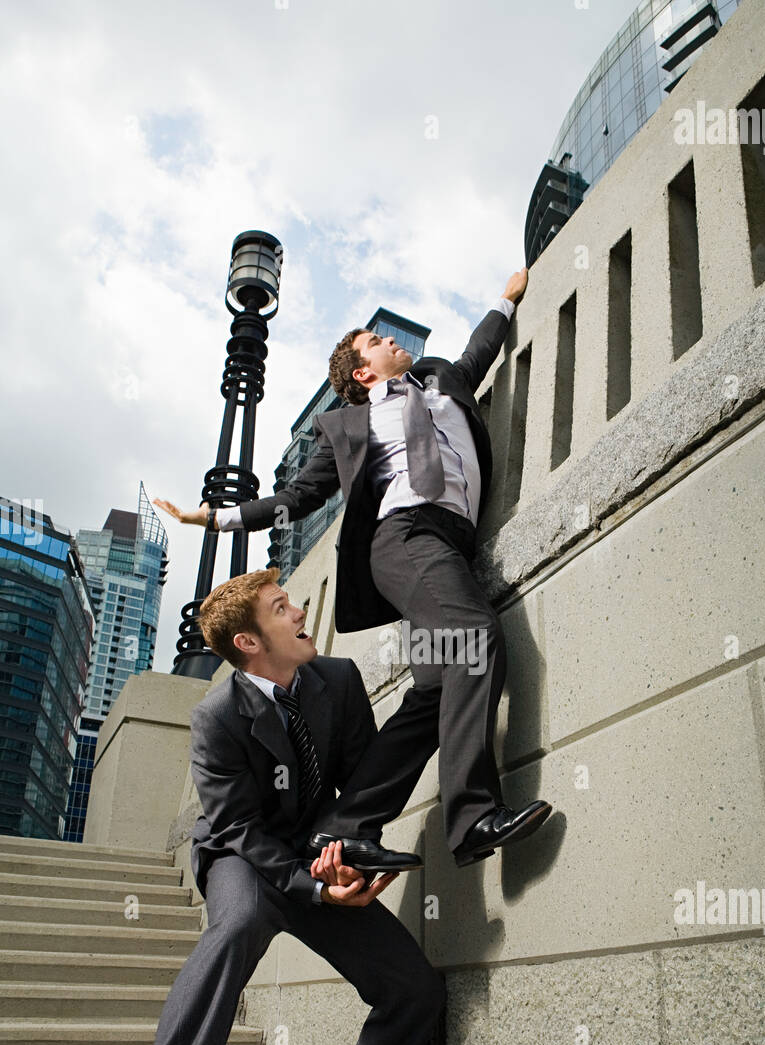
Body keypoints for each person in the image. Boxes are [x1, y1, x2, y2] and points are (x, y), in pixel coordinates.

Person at [155, 267, 551, 874]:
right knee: (475, 639)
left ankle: (345, 828)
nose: (392, 343)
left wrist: (506, 297)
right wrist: (210, 518)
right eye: (376, 342)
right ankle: (472, 817)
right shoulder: (348, 424)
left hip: (448, 546)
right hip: (406, 540)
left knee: (436, 691)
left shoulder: (442, 382)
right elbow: (296, 499)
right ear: (363, 373)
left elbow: (481, 349)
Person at [107, 569, 446, 1045]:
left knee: (413, 988)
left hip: (313, 852)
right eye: (282, 607)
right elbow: (236, 829)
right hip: (246, 860)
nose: (300, 613)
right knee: (233, 934)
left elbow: (362, 785)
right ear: (249, 642)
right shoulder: (217, 718)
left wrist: (344, 855)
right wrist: (312, 886)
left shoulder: (339, 682)